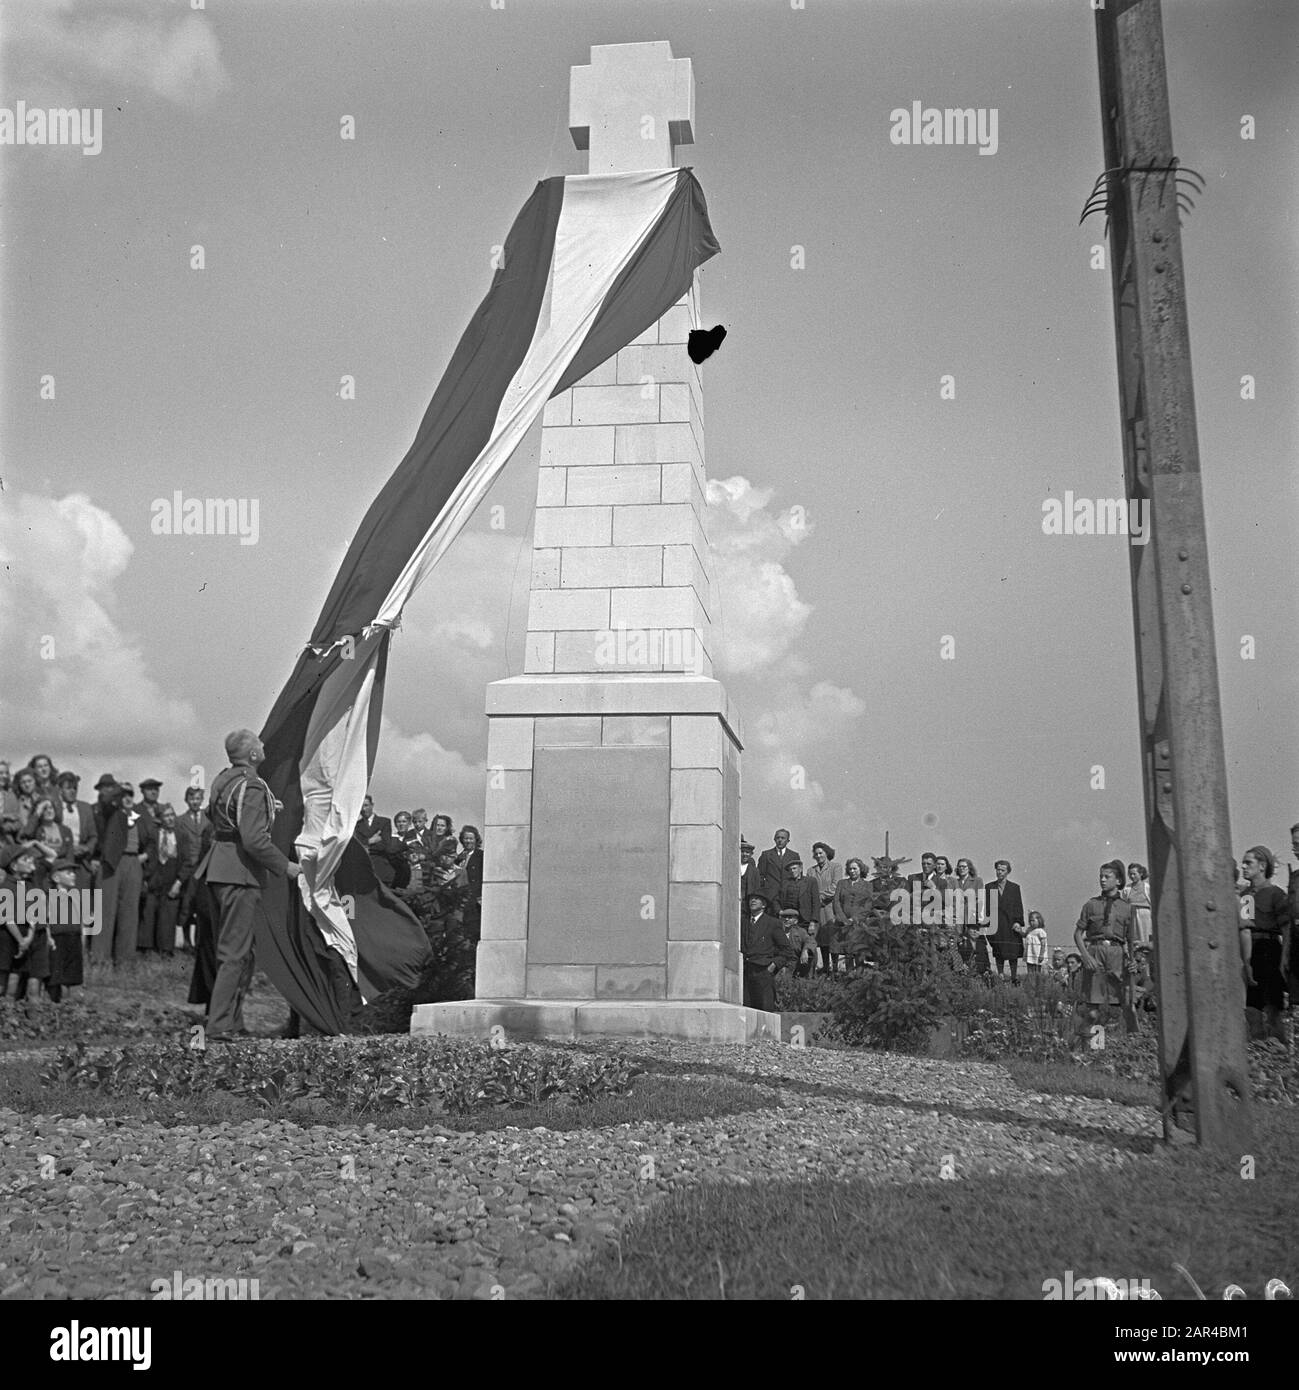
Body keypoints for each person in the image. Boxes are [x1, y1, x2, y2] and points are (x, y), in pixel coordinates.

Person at [194, 729, 301, 1043]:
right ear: (253, 755)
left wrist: (267, 807)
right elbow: (253, 840)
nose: (264, 745)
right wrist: (286, 866)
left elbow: (222, 815)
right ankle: (219, 1025)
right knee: (235, 953)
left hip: (219, 867)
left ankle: (230, 1020)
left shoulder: (224, 780)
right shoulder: (253, 785)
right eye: (260, 744)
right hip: (240, 872)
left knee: (235, 952)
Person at [90, 774, 155, 966]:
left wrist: (145, 855)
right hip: (112, 863)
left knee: (129, 913)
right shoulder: (111, 811)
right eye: (124, 795)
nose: (127, 798)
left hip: (133, 862)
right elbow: (107, 800)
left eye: (131, 795)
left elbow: (152, 839)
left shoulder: (140, 816)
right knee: (106, 912)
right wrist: (119, 789)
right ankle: (100, 959)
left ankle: (125, 960)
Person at [1072, 859, 1136, 1044]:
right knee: (1093, 1010)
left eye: (1107, 877)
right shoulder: (1091, 905)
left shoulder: (1126, 908)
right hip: (1096, 954)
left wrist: (1132, 960)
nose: (1102, 880)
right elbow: (1077, 934)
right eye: (1101, 876)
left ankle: (1112, 1049)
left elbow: (1131, 940)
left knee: (1116, 1010)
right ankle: (1089, 1046)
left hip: (1117, 955)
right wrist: (1085, 956)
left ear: (1118, 881)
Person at [1238, 844, 1291, 1047]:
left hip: (1270, 950)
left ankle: (1278, 1047)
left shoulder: (1275, 894)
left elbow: (1286, 929)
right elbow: (1244, 928)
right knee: (1252, 1007)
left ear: (1262, 865)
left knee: (1272, 1005)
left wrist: (1284, 957)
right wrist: (1246, 961)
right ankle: (1257, 1047)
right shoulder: (1246, 897)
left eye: (1248, 862)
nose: (1244, 867)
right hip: (1251, 949)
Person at [1, 844, 52, 1004]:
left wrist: (29, 935)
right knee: (8, 984)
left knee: (32, 986)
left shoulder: (31, 881)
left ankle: (31, 1025)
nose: (31, 861)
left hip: (30, 937)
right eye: (25, 858)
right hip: (11, 938)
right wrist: (22, 940)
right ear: (14, 866)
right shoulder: (6, 887)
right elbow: (7, 918)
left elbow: (34, 913)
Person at [741, 887, 795, 1011]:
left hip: (763, 971)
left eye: (757, 899)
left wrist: (774, 965)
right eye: (751, 899)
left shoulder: (772, 923)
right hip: (745, 971)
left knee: (765, 1010)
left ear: (764, 904)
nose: (752, 901)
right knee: (746, 1010)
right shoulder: (742, 922)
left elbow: (787, 951)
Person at [140, 803, 181, 956]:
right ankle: (146, 947)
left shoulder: (180, 835)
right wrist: (145, 877)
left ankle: (166, 949)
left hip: (172, 878)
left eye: (172, 815)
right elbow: (148, 854)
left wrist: (179, 882)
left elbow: (187, 862)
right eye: (166, 816)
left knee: (168, 914)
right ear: (160, 819)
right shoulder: (154, 834)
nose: (170, 819)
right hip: (155, 877)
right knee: (149, 911)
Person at [44, 856, 85, 1003]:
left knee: (70, 979)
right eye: (68, 873)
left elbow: (81, 922)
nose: (73, 875)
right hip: (57, 939)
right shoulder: (49, 897)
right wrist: (48, 938)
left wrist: (82, 940)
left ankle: (65, 1008)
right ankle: (52, 1008)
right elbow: (46, 922)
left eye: (73, 872)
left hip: (73, 939)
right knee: (55, 978)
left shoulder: (75, 897)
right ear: (56, 877)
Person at [174, 786, 209, 951]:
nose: (195, 802)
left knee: (201, 905)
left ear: (202, 800)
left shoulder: (209, 819)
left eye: (197, 798)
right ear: (186, 800)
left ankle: (200, 941)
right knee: (187, 903)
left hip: (205, 867)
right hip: (188, 868)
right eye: (191, 799)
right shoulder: (180, 821)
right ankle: (187, 941)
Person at [987, 858, 1026, 983]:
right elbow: (987, 906)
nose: (999, 872)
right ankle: (1000, 976)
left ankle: (1014, 976)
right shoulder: (989, 887)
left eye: (1002, 870)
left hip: (1010, 923)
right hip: (997, 923)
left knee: (1012, 952)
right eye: (998, 870)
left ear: (1007, 872)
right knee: (998, 951)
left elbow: (1018, 906)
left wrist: (1018, 922)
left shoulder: (1014, 888)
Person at [834, 857, 872, 967]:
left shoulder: (867, 885)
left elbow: (867, 905)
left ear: (861, 869)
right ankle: (848, 976)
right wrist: (843, 919)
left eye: (855, 869)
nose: (852, 871)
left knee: (858, 951)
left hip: (859, 924)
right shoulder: (841, 883)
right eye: (850, 869)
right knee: (847, 952)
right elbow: (836, 902)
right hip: (843, 923)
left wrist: (855, 919)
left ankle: (859, 977)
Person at [809, 841, 841, 974]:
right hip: (818, 909)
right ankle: (826, 967)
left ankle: (835, 967)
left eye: (820, 853)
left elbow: (835, 886)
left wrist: (820, 896)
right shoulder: (811, 870)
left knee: (833, 938)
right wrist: (817, 899)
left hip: (831, 907)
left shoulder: (835, 867)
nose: (818, 856)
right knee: (821, 939)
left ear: (826, 853)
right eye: (816, 854)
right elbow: (809, 887)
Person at [56, 772, 96, 876]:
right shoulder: (55, 808)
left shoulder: (86, 808)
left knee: (83, 891)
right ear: (60, 790)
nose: (72, 791)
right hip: (61, 860)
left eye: (75, 788)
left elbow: (93, 836)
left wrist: (86, 848)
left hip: (81, 861)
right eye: (68, 788)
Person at [757, 828, 798, 903]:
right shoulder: (766, 855)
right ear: (774, 839)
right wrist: (764, 890)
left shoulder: (794, 856)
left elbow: (797, 876)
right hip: (770, 895)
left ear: (788, 841)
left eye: (783, 838)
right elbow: (759, 875)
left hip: (788, 894)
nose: (780, 840)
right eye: (778, 837)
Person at [457, 825, 483, 939]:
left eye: (471, 838)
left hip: (475, 897)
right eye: (466, 838)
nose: (468, 841)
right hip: (462, 897)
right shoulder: (459, 857)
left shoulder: (480, 856)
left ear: (476, 840)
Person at [1123, 862, 1153, 947]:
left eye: (1134, 874)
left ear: (1140, 874)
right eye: (1130, 874)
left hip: (1145, 915)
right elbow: (1124, 903)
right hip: (1132, 915)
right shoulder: (1127, 889)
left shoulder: (1147, 887)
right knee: (1133, 937)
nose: (1132, 876)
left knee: (1145, 936)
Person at [740, 838, 761, 918]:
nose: (745, 854)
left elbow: (757, 889)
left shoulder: (754, 871)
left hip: (747, 906)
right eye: (742, 852)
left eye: (748, 852)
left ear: (751, 854)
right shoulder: (732, 867)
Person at [1024, 910, 1049, 975]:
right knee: (1030, 968)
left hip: (1037, 953)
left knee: (1037, 969)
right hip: (1030, 952)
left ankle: (1037, 981)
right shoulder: (1029, 929)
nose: (1031, 922)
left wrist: (1041, 954)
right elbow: (1025, 935)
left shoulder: (1040, 931)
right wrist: (1019, 931)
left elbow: (1043, 943)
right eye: (1030, 921)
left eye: (1033, 920)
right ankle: (1030, 980)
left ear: (1039, 920)